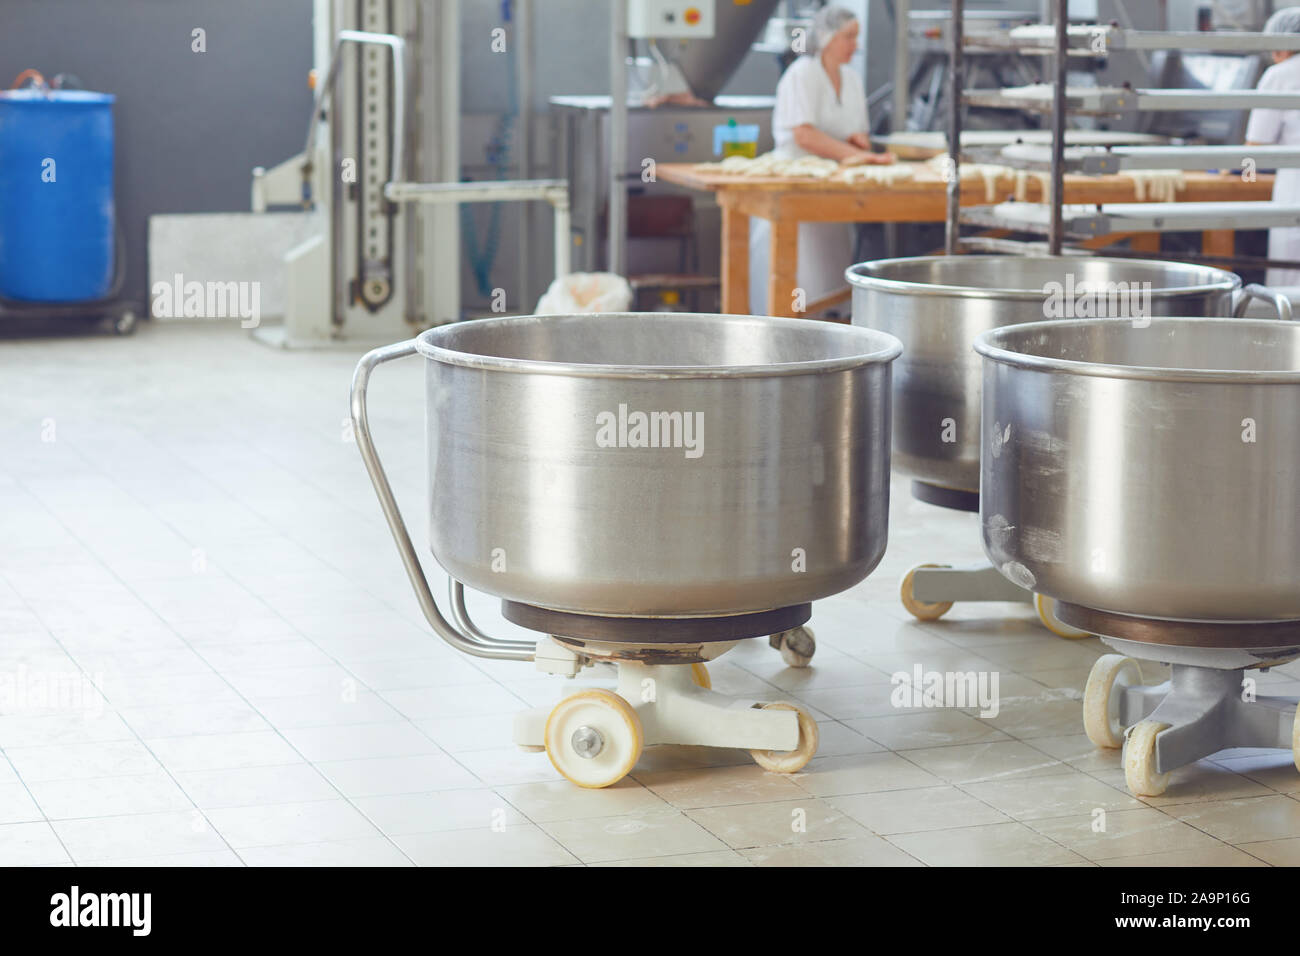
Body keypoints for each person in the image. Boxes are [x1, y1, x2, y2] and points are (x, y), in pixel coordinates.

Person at [749, 5, 892, 314]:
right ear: (827, 37)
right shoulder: (801, 74)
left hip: (833, 188)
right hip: (795, 182)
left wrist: (859, 144)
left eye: (857, 37)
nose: (855, 44)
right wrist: (859, 155)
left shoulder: (851, 78)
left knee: (831, 276)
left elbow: (857, 131)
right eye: (848, 37)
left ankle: (831, 335)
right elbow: (805, 136)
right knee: (800, 275)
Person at [1245, 6, 1300, 286]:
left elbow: (1255, 145)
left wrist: (1244, 179)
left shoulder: (1280, 75)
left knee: (1290, 287)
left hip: (1294, 191)